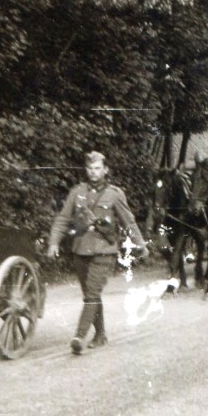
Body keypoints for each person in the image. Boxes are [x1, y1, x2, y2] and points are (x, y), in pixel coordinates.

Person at [48, 150, 146, 354]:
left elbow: (128, 222)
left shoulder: (114, 194)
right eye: (90, 168)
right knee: (91, 294)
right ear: (86, 170)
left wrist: (140, 244)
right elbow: (63, 218)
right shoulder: (77, 192)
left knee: (92, 293)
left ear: (105, 170)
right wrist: (53, 242)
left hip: (104, 251)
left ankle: (79, 336)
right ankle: (100, 334)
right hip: (80, 250)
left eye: (97, 168)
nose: (93, 172)